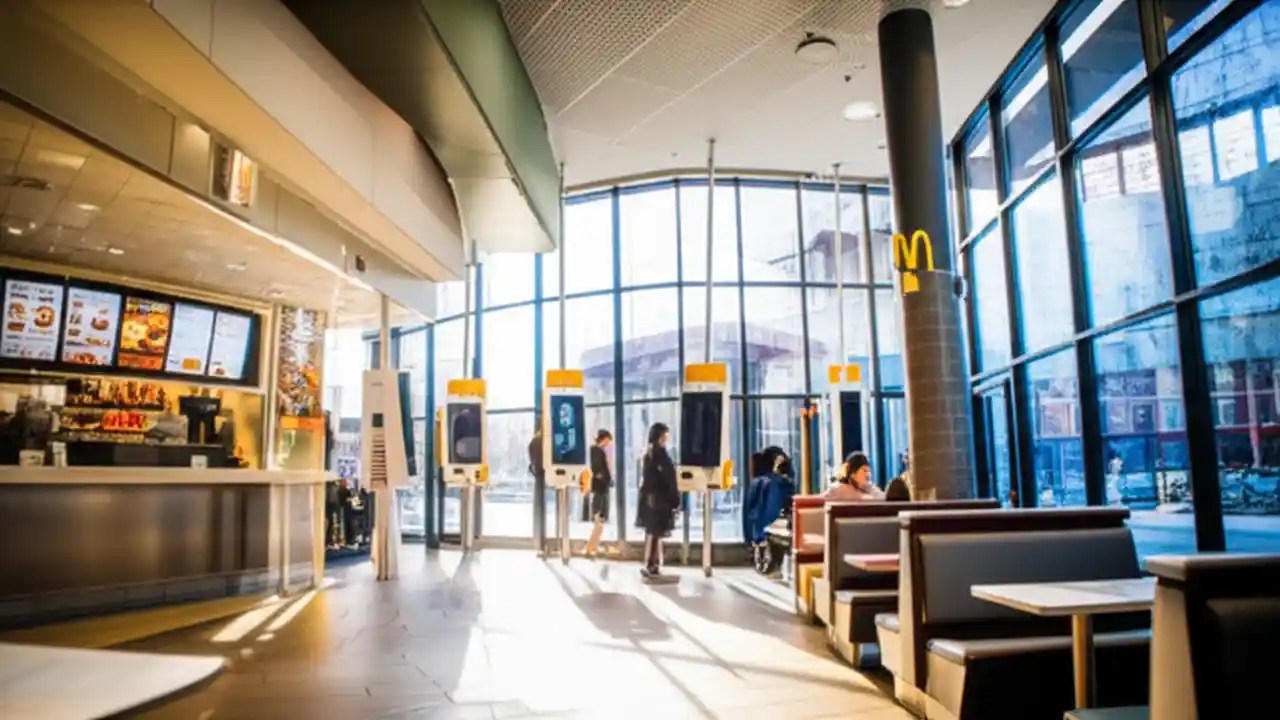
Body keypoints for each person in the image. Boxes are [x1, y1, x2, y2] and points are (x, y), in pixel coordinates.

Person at [637, 422, 679, 579]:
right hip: (659, 499)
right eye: (664, 435)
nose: (665, 439)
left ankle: (652, 563)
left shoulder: (650, 454)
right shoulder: (658, 454)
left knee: (654, 533)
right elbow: (666, 476)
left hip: (653, 498)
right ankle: (652, 564)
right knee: (656, 532)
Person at [585, 429, 614, 558]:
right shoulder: (597, 451)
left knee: (599, 524)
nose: (608, 443)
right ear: (604, 438)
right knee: (599, 524)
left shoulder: (596, 451)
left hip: (599, 489)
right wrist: (606, 478)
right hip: (599, 490)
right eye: (608, 440)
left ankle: (592, 548)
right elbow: (599, 471)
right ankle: (590, 548)